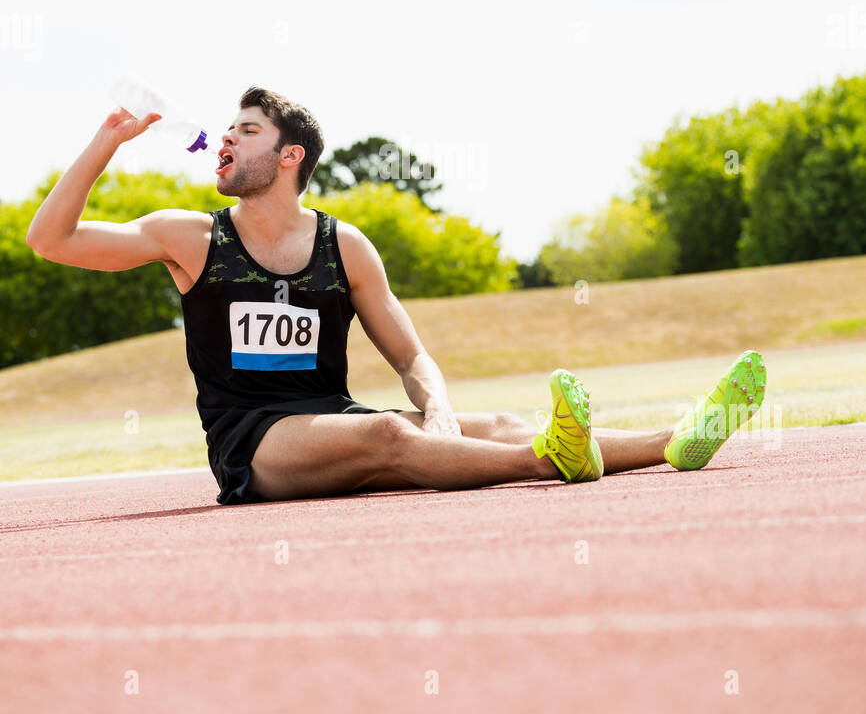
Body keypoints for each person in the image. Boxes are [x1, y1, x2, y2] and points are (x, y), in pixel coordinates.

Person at [25, 86, 767, 505]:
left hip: (335, 418)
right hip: (255, 442)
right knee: (389, 436)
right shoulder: (189, 237)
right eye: (225, 131)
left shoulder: (344, 246)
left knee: (496, 420)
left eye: (245, 132)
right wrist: (105, 144)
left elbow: (412, 357)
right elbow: (51, 240)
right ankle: (550, 462)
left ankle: (674, 439)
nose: (224, 141)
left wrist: (438, 406)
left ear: (289, 156)